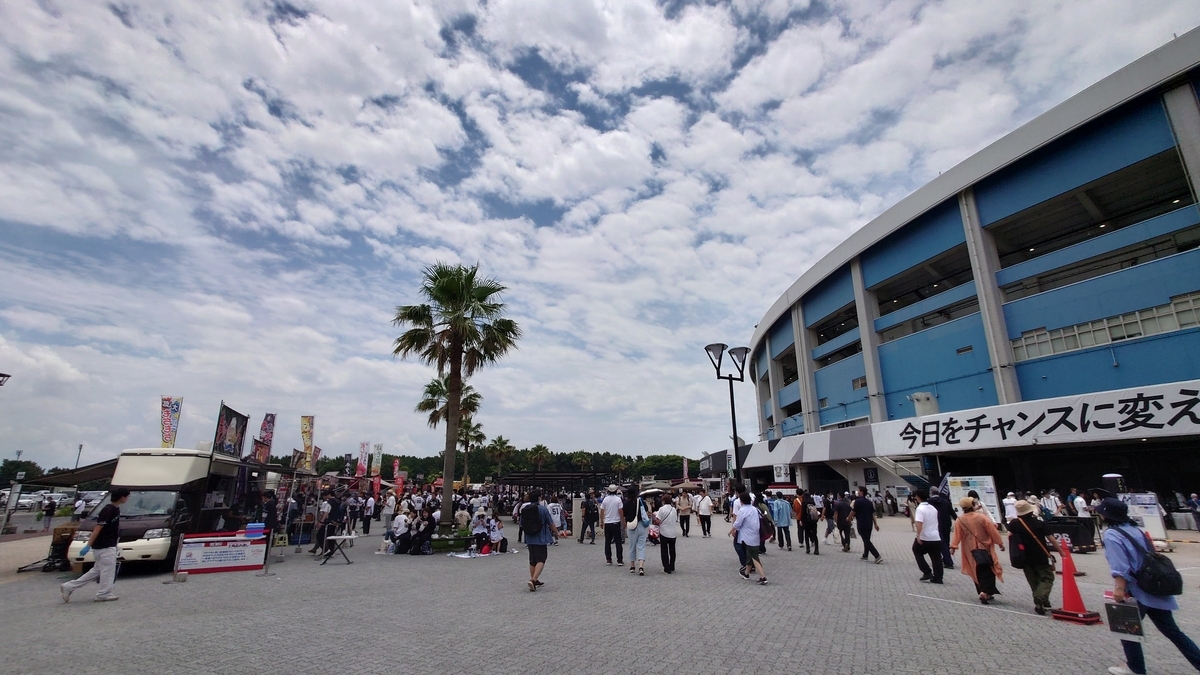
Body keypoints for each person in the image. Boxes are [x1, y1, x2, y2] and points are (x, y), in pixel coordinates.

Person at [1097, 497, 1200, 675]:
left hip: (1136, 589)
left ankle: (1136, 668)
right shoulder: (1135, 530)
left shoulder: (1111, 535)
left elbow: (1120, 566)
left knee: (1126, 630)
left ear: (1106, 515)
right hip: (1154, 586)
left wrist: (1119, 589)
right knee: (1173, 632)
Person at [61, 488, 130, 603]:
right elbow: (98, 528)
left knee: (97, 570)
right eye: (127, 496)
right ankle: (104, 593)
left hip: (107, 544)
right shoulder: (109, 510)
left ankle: (69, 586)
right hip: (105, 546)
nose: (127, 499)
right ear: (122, 497)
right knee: (108, 570)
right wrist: (88, 545)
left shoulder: (115, 509)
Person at [1008, 499, 1059, 614]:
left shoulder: (1014, 524)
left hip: (1024, 557)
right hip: (1041, 556)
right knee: (1047, 578)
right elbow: (1052, 539)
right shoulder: (1039, 523)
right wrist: (1060, 551)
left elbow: (1010, 536)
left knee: (1033, 581)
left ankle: (1042, 603)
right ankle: (1041, 598)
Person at [950, 497, 1004, 604]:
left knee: (976, 570)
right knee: (988, 570)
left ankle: (983, 591)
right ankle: (985, 592)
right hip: (985, 548)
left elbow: (957, 535)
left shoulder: (960, 520)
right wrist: (1000, 543)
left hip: (970, 550)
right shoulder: (982, 518)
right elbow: (992, 531)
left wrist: (953, 547)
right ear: (972, 505)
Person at [522, 489, 558, 591]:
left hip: (529, 537)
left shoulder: (525, 509)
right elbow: (550, 523)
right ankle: (533, 579)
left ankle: (534, 579)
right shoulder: (543, 509)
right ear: (539, 498)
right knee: (541, 558)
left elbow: (521, 523)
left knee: (532, 559)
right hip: (541, 537)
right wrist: (556, 533)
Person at [730, 492, 767, 585]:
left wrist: (731, 530)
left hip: (747, 536)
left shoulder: (743, 510)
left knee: (754, 557)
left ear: (741, 501)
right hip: (755, 535)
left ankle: (763, 577)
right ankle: (746, 573)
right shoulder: (755, 509)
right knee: (750, 555)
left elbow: (738, 523)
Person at [911, 489, 943, 584]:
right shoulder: (933, 508)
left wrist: (918, 535)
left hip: (925, 536)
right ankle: (938, 577)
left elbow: (919, 523)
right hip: (935, 536)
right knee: (936, 557)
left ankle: (927, 571)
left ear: (917, 497)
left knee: (916, 550)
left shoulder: (920, 509)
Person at [850, 487, 882, 563]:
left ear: (861, 492)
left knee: (866, 540)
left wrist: (848, 518)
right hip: (869, 524)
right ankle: (865, 555)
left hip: (861, 523)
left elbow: (853, 511)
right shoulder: (869, 502)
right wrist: (875, 524)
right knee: (867, 539)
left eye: (858, 490)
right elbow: (873, 514)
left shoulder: (857, 501)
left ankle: (877, 556)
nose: (857, 492)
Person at [624, 485, 650, 575]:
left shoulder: (626, 503)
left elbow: (624, 515)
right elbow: (646, 511)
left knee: (632, 546)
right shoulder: (641, 501)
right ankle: (641, 566)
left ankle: (632, 566)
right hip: (641, 525)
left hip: (631, 526)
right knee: (641, 546)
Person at [928, 490, 956, 569]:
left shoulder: (929, 503)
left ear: (931, 493)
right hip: (946, 525)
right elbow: (952, 513)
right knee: (946, 542)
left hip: (935, 525)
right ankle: (945, 558)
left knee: (941, 543)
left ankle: (948, 561)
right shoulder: (946, 502)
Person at [600, 484, 625, 566]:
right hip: (616, 522)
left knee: (607, 541)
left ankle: (608, 559)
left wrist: (601, 521)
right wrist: (623, 521)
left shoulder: (605, 499)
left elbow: (602, 511)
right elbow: (620, 511)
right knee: (618, 541)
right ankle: (620, 560)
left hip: (607, 522)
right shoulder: (618, 499)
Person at [655, 494, 680, 573]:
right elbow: (675, 519)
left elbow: (658, 521)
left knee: (664, 550)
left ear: (663, 501)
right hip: (673, 532)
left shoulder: (661, 509)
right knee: (672, 550)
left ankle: (666, 567)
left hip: (664, 532)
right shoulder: (674, 509)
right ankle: (672, 566)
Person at [798, 490, 821, 555]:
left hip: (806, 521)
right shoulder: (812, 502)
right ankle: (816, 549)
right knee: (814, 535)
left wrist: (801, 520)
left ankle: (808, 549)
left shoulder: (804, 502)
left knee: (806, 535)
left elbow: (802, 513)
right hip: (813, 521)